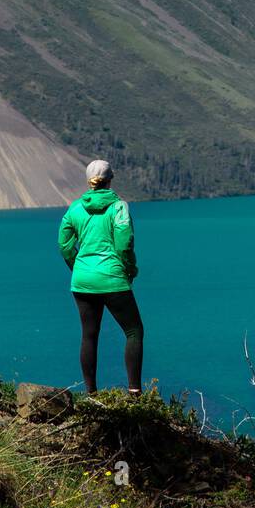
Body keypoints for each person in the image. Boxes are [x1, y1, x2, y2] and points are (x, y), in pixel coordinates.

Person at [58, 159, 143, 396]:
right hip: (113, 279)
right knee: (134, 332)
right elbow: (124, 244)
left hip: (82, 281)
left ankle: (91, 394)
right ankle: (135, 394)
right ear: (110, 179)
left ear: (89, 182)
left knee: (89, 334)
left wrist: (78, 266)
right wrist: (130, 269)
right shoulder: (118, 207)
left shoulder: (74, 208)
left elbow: (64, 245)